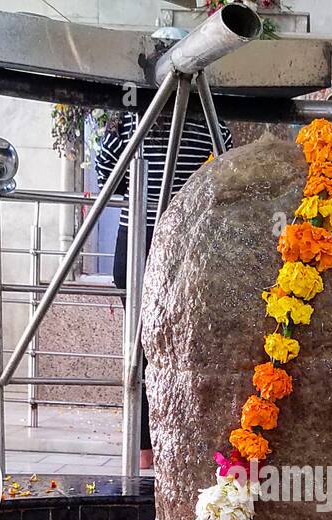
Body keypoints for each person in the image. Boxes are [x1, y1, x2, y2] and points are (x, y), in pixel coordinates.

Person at [94, 105, 232, 469]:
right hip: (185, 239)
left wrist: (139, 187)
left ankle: (143, 448)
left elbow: (105, 172)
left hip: (138, 234)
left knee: (140, 344)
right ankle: (176, 440)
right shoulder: (209, 120)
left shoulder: (129, 118)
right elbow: (226, 173)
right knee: (180, 345)